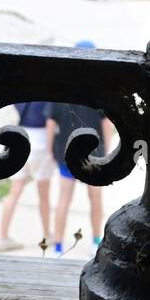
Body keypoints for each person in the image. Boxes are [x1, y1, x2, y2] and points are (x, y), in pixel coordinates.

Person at [46, 43, 115, 256]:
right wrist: (108, 150)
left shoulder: (61, 89)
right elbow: (107, 124)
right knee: (95, 198)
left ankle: (58, 246)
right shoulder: (99, 89)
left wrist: (51, 151)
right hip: (94, 153)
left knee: (63, 199)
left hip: (66, 154)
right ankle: (96, 241)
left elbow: (50, 123)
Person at [0, 101, 55, 252]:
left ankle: (3, 237)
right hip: (42, 139)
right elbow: (51, 119)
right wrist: (51, 151)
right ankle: (46, 234)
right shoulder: (47, 94)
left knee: (14, 192)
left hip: (20, 137)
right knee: (44, 193)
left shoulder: (21, 90)